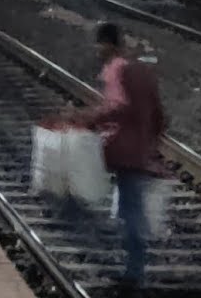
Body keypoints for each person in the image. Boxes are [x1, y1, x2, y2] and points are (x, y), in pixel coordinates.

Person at [73, 23, 166, 290]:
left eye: (99, 44)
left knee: (130, 210)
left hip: (124, 148)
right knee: (130, 207)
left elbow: (118, 106)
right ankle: (133, 266)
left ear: (109, 45)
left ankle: (134, 273)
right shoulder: (143, 71)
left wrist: (89, 119)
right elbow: (159, 114)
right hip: (139, 149)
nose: (97, 50)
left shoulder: (116, 69)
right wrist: (153, 142)